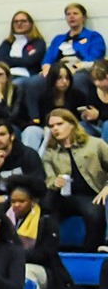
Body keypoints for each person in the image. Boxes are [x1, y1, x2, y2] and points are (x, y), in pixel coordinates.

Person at [41, 108, 108, 253]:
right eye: (52, 126)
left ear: (72, 124)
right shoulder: (50, 152)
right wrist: (55, 182)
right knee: (45, 207)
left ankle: (91, 252)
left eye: (59, 124)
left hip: (92, 194)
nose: (55, 129)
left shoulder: (95, 144)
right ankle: (47, 251)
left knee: (94, 213)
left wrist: (106, 188)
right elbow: (49, 178)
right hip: (63, 196)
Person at [0, 62, 39, 158]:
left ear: (7, 77)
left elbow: (13, 118)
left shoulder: (18, 90)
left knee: (6, 131)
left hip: (16, 127)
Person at [0, 121, 47, 205]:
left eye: (2, 134)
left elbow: (39, 187)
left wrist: (7, 198)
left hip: (25, 201)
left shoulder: (28, 154)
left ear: (12, 136)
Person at [40, 2, 106, 85]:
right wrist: (46, 68)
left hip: (82, 70)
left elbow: (95, 59)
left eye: (75, 13)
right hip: (58, 70)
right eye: (68, 14)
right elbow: (48, 58)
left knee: (77, 81)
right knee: (32, 83)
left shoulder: (94, 36)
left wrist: (75, 67)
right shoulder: (58, 39)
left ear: (84, 18)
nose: (71, 16)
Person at [0, 10, 47, 83]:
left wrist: (9, 60)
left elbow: (30, 61)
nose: (19, 24)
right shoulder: (7, 43)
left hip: (27, 77)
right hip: (5, 76)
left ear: (31, 24)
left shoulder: (38, 42)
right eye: (16, 22)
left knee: (15, 84)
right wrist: (21, 60)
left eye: (23, 21)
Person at [77, 59, 108, 136]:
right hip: (98, 126)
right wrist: (87, 115)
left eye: (101, 79)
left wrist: (99, 115)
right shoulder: (92, 91)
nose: (97, 83)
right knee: (81, 125)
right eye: (95, 79)